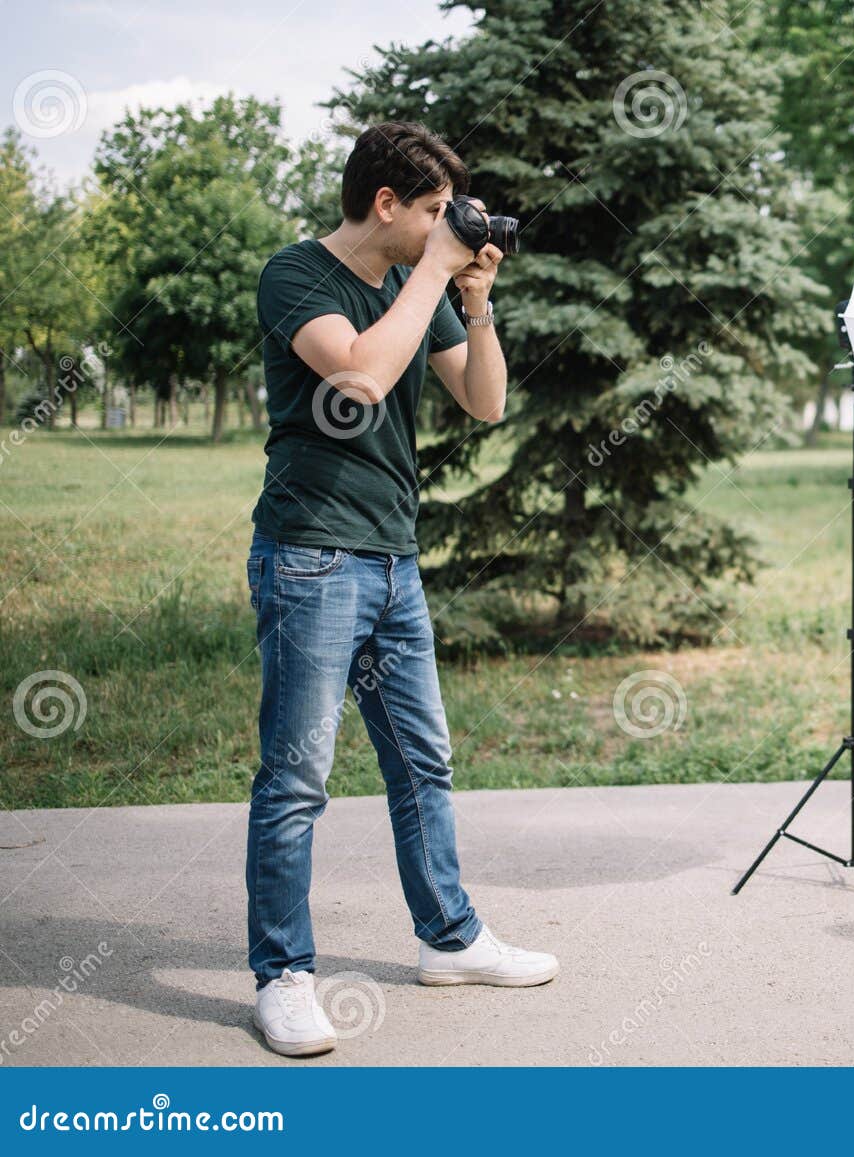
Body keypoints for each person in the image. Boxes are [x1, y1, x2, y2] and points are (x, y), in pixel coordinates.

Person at [245, 121, 556, 1058]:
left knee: (423, 763)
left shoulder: (421, 286)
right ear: (387, 204)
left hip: (392, 559)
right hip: (311, 556)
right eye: (431, 213)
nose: (441, 230)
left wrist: (479, 299)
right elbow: (361, 376)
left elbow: (487, 400)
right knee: (297, 776)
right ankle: (283, 976)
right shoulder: (296, 275)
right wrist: (430, 278)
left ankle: (451, 938)